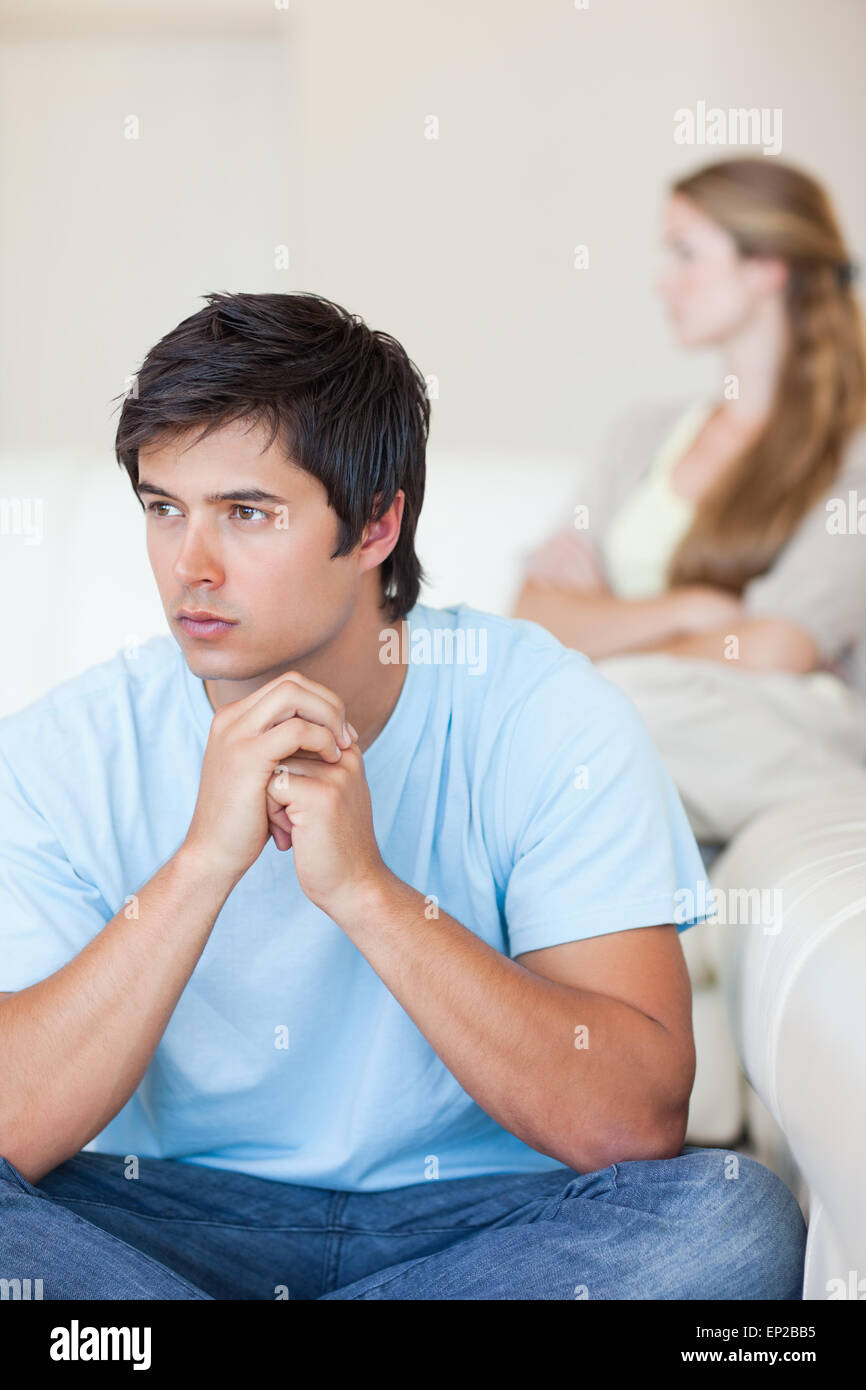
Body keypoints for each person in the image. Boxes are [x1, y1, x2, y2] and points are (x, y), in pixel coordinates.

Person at [0, 292, 805, 1300]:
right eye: (164, 508)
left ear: (378, 521)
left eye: (246, 513)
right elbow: (13, 1127)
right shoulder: (64, 750)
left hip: (476, 1229)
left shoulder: (545, 715)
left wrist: (370, 894)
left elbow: (631, 1120)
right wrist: (202, 862)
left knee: (727, 1217)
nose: (188, 567)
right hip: (164, 1220)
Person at [512, 158, 866, 845]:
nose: (662, 281)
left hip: (774, 728)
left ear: (767, 268)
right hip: (646, 721)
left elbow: (777, 648)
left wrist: (601, 632)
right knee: (569, 709)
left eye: (685, 253)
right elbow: (534, 617)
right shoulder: (641, 434)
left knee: (614, 706)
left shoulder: (851, 457)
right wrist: (691, 608)